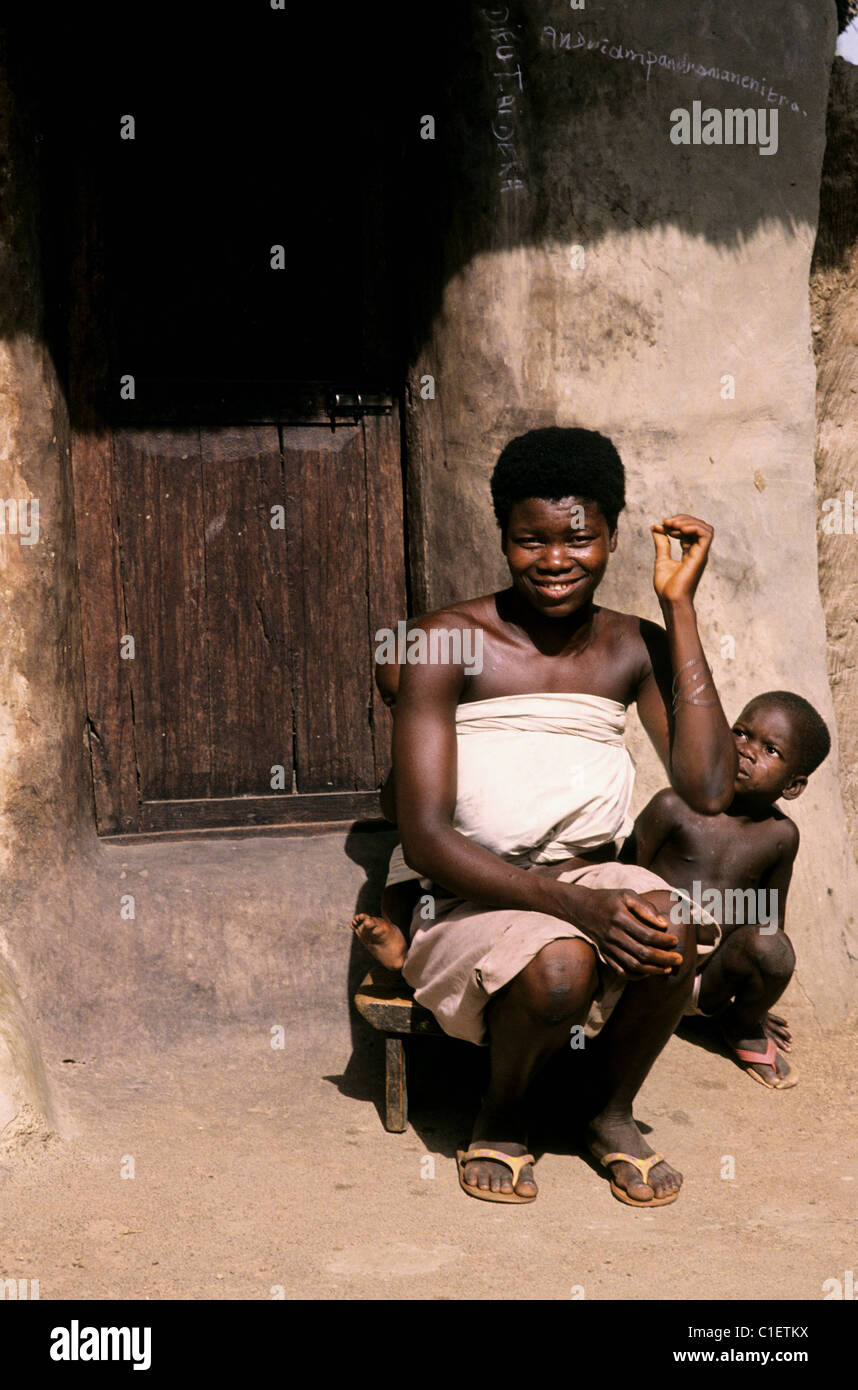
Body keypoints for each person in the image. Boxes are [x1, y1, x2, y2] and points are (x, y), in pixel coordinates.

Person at [383, 427, 739, 1206]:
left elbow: (708, 788)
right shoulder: (448, 641)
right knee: (559, 963)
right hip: (470, 891)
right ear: (503, 539)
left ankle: (607, 1111)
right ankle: (504, 1117)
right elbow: (427, 840)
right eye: (528, 541)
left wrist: (677, 609)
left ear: (612, 535)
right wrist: (576, 905)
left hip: (589, 872)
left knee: (672, 927)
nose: (553, 561)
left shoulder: (630, 646)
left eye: (577, 540)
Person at [622, 691, 830, 1090]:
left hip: (706, 988)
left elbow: (769, 921)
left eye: (770, 750)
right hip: (644, 971)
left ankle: (741, 1028)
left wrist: (756, 1003)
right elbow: (622, 877)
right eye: (741, 733)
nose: (747, 752)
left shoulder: (780, 836)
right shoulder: (673, 807)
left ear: (793, 785)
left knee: (773, 947)